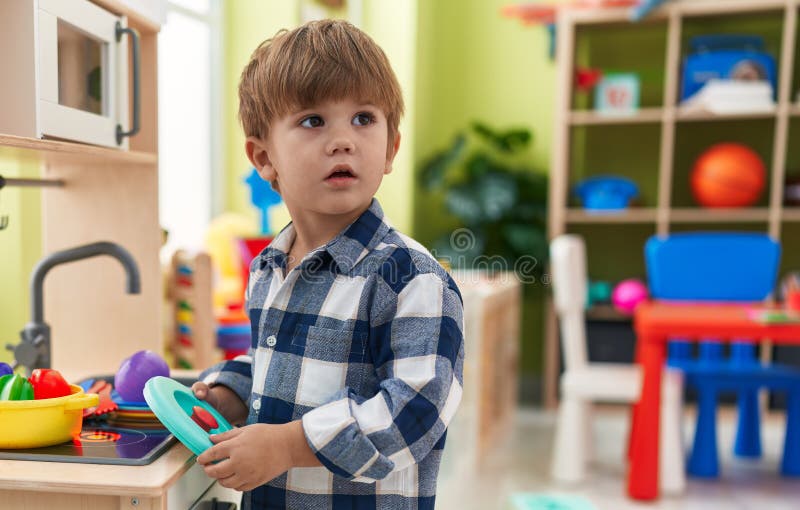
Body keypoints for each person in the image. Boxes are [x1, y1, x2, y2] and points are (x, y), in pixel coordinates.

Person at [192, 19, 464, 510]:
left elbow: (415, 410)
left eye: (363, 118)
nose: (343, 140)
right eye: (314, 121)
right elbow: (278, 364)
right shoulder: (268, 267)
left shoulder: (410, 277)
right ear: (264, 158)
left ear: (391, 148)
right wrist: (231, 392)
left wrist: (286, 445)